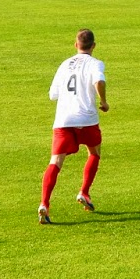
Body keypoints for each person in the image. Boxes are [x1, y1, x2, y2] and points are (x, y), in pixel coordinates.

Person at [38, 29, 108, 224]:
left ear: (76, 45)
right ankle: (84, 192)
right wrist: (103, 101)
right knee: (94, 153)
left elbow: (53, 95)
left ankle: (44, 203)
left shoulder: (64, 65)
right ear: (93, 45)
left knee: (55, 162)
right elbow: (99, 81)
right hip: (86, 118)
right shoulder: (95, 63)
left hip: (63, 120)